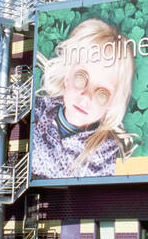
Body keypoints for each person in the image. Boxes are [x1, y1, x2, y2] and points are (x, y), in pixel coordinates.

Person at [31, 19, 136, 179]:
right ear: (67, 76)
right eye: (81, 77)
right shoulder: (33, 113)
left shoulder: (105, 158)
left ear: (112, 103)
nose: (86, 96)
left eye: (102, 93)